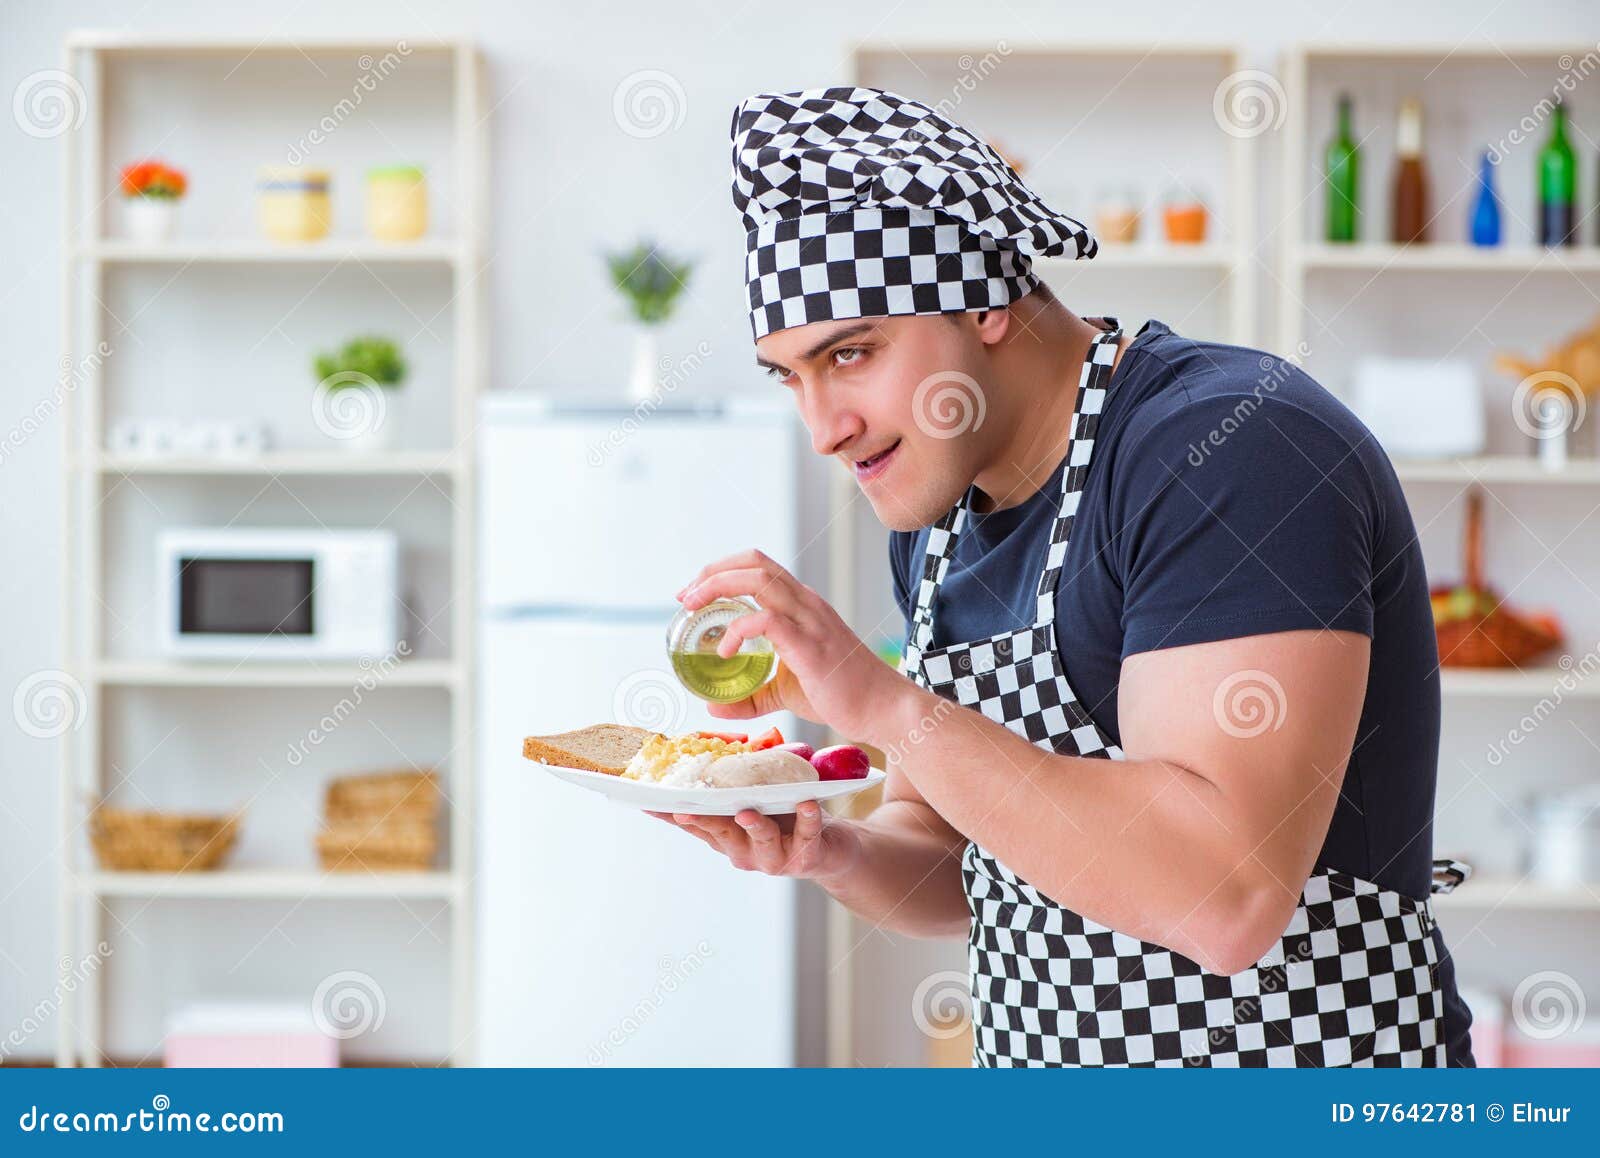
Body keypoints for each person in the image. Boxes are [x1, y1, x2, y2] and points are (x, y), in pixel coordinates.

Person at [655, 86, 1474, 1067]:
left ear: (986, 300)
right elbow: (957, 859)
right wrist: (833, 850)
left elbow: (1226, 898)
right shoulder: (936, 514)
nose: (825, 427)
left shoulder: (1232, 445)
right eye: (791, 376)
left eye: (853, 354)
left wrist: (875, 701)